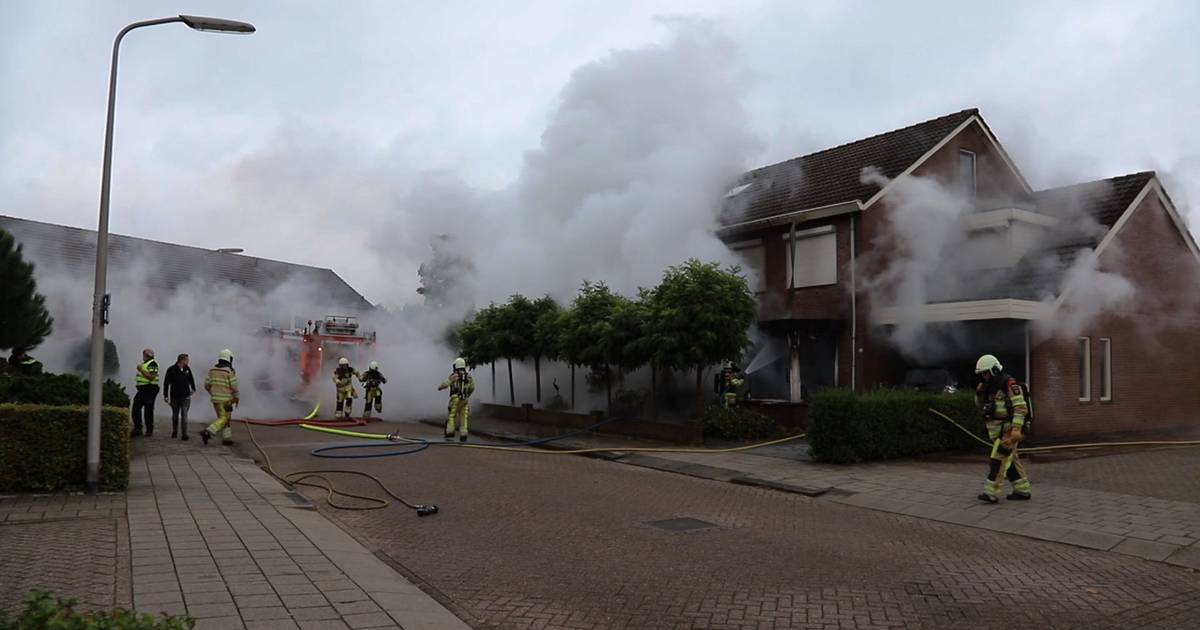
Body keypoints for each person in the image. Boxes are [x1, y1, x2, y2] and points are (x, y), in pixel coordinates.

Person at [974, 354, 1032, 503]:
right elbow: (981, 406)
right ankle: (1022, 490)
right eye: (982, 374)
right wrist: (978, 393)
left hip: (1009, 431)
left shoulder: (1009, 384)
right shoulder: (988, 387)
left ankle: (990, 492)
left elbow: (1020, 407)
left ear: (994, 370)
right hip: (996, 432)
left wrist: (1016, 429)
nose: (984, 377)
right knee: (1010, 460)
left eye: (986, 373)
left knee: (998, 459)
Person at [200, 349, 239, 446]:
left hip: (215, 400)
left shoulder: (212, 370)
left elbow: (206, 385)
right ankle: (208, 431)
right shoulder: (229, 371)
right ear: (229, 359)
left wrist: (212, 393)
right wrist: (236, 398)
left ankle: (227, 439)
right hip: (227, 400)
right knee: (224, 419)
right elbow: (235, 387)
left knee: (224, 419)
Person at [438, 357, 475, 442]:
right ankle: (463, 434)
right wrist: (467, 395)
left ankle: (450, 432)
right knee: (464, 417)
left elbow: (446, 384)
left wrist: (440, 387)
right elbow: (472, 387)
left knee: (452, 415)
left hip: (455, 398)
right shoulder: (468, 377)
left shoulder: (454, 376)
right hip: (464, 399)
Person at [163, 353, 196, 440]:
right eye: (187, 360)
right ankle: (175, 431)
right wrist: (165, 395)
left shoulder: (187, 369)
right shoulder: (171, 370)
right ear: (182, 360)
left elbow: (191, 379)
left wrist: (193, 388)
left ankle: (184, 434)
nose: (188, 361)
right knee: (175, 415)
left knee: (184, 416)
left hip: (185, 397)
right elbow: (166, 383)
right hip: (174, 397)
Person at [130, 348, 160, 437]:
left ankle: (149, 430)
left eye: (144, 355)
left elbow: (152, 377)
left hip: (150, 389)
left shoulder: (153, 364)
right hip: (143, 390)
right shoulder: (145, 364)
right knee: (136, 408)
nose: (143, 357)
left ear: (146, 355)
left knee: (148, 410)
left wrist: (141, 370)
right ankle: (138, 428)